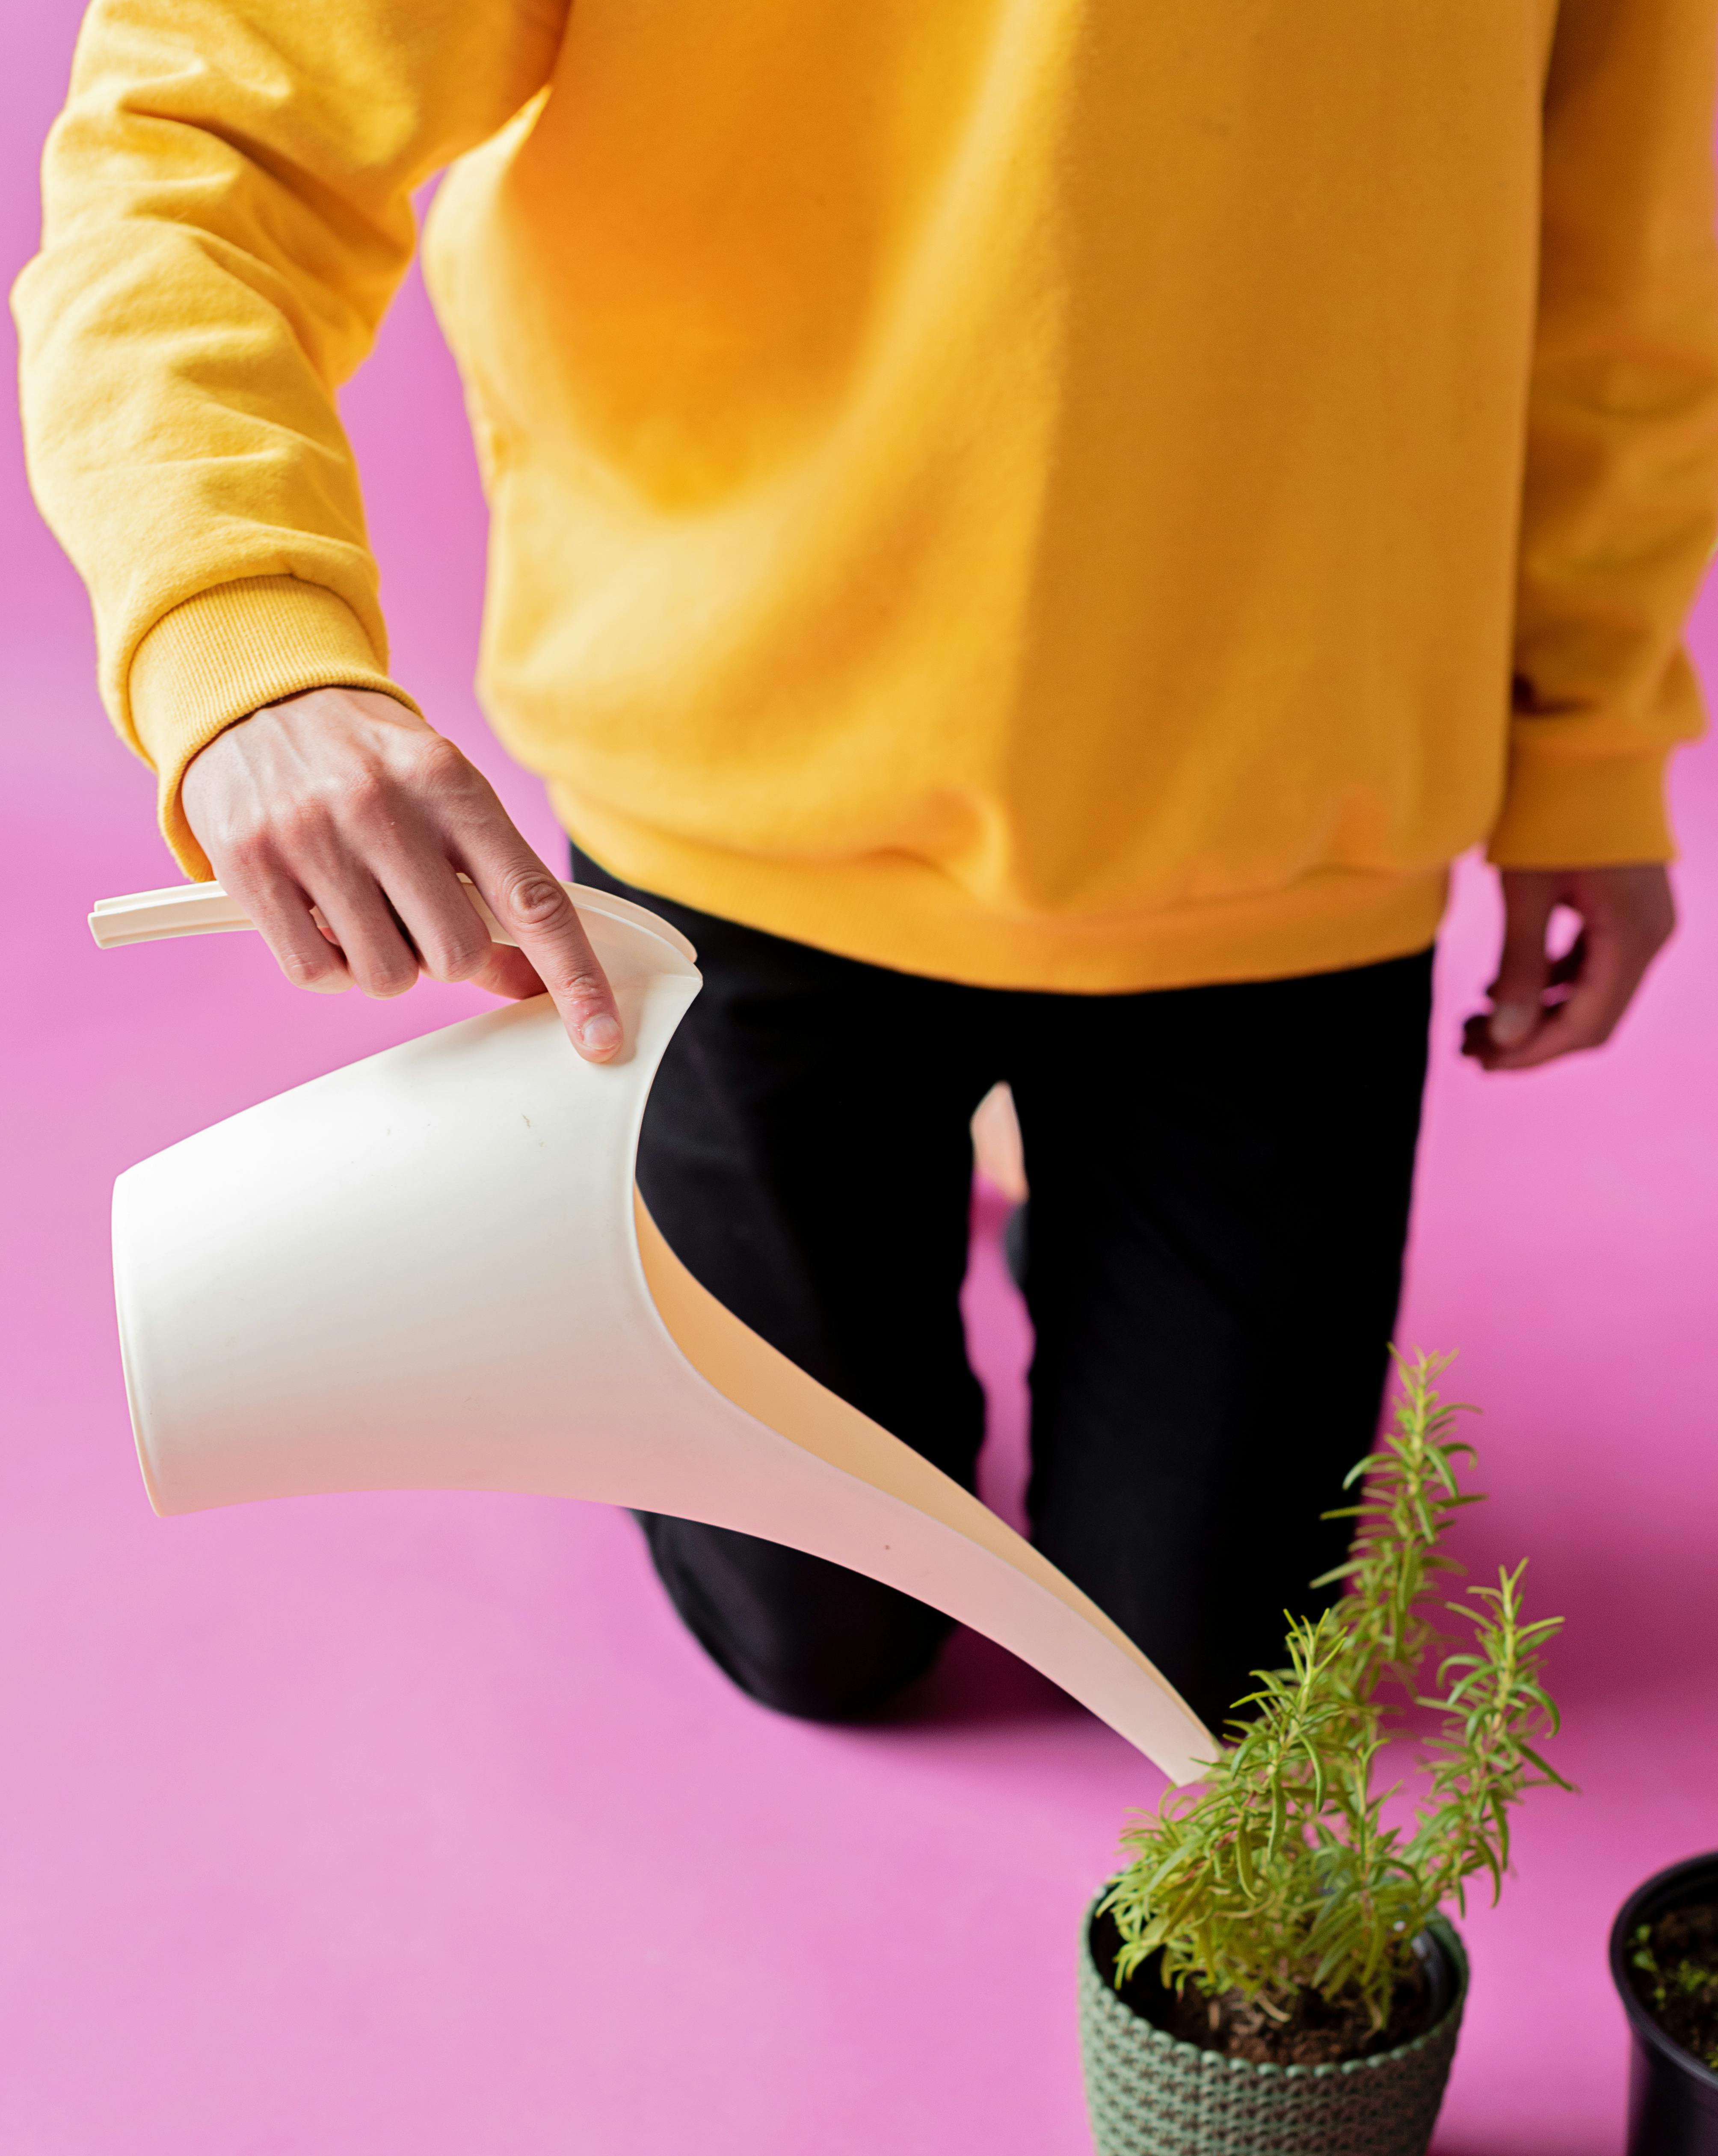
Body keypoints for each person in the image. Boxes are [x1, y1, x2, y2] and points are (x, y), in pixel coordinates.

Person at [17, 2, 1715, 1730]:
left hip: (1280, 835)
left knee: (1208, 1676)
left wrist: (1585, 737)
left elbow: (1616, 240)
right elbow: (206, 139)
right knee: (813, 1643)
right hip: (739, 826)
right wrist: (243, 642)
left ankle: (1010, 1163)